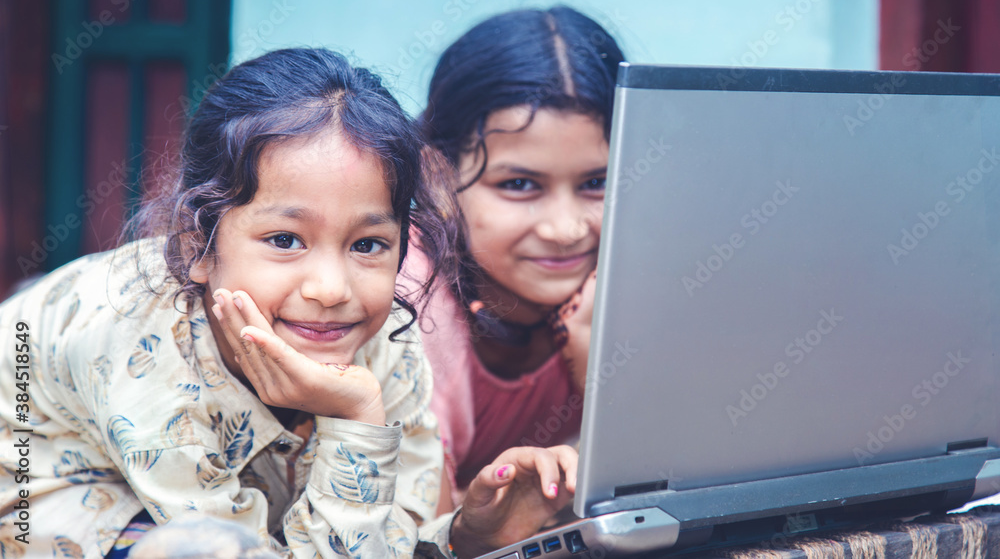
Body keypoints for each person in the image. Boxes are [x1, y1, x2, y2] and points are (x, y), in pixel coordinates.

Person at [0, 48, 576, 558]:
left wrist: (463, 536)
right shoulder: (150, 360)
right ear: (197, 245)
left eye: (368, 244)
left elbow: (395, 538)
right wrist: (356, 422)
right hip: (37, 481)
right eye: (284, 240)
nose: (331, 288)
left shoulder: (387, 339)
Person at [412, 6, 626, 511]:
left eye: (597, 182)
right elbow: (419, 534)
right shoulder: (408, 304)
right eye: (520, 184)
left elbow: (670, 491)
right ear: (439, 179)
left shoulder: (634, 279)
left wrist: (595, 357)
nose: (565, 229)